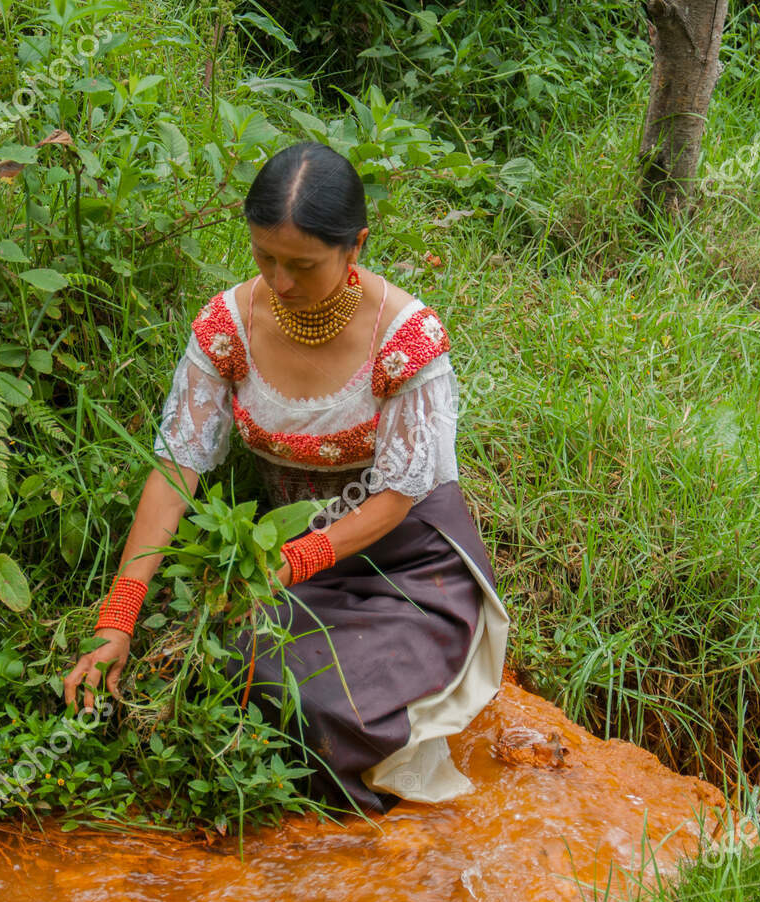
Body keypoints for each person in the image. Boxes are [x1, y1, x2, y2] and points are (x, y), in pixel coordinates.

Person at [62, 141, 508, 813]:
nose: (280, 281)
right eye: (264, 256)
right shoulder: (227, 328)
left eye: (302, 264)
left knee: (334, 704)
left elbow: (396, 495)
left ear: (355, 246)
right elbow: (174, 471)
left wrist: (291, 561)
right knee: (234, 664)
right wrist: (118, 616)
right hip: (285, 559)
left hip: (409, 568)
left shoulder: (406, 339)